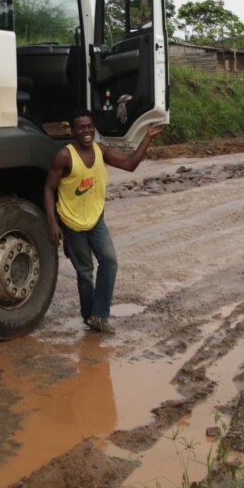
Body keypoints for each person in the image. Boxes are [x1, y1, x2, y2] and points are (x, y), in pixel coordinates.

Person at [44, 109, 164, 334]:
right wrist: (52, 223)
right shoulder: (65, 156)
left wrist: (146, 137)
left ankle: (99, 315)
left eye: (90, 126)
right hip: (72, 223)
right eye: (81, 127)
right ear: (73, 131)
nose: (87, 131)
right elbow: (49, 189)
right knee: (85, 273)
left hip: (96, 220)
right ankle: (90, 317)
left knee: (109, 261)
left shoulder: (101, 151)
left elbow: (130, 164)